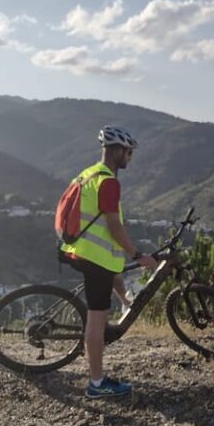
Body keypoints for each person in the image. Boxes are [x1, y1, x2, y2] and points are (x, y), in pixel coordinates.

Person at [60, 125, 156, 398]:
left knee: (105, 297)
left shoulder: (89, 174)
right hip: (94, 255)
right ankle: (97, 384)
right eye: (128, 152)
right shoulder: (109, 181)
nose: (130, 157)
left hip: (82, 249)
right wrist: (138, 255)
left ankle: (124, 302)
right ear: (116, 151)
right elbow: (114, 227)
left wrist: (125, 297)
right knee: (97, 319)